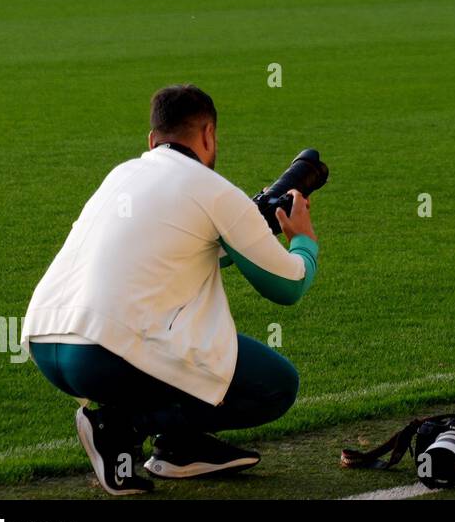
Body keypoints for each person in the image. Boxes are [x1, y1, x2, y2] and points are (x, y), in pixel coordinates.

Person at [21, 84, 319, 494]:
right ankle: (121, 427)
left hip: (47, 341)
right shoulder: (215, 190)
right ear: (209, 134)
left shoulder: (121, 174)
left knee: (189, 340)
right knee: (276, 385)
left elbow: (180, 250)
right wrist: (304, 239)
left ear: (152, 139)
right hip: (104, 353)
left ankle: (180, 448)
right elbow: (289, 285)